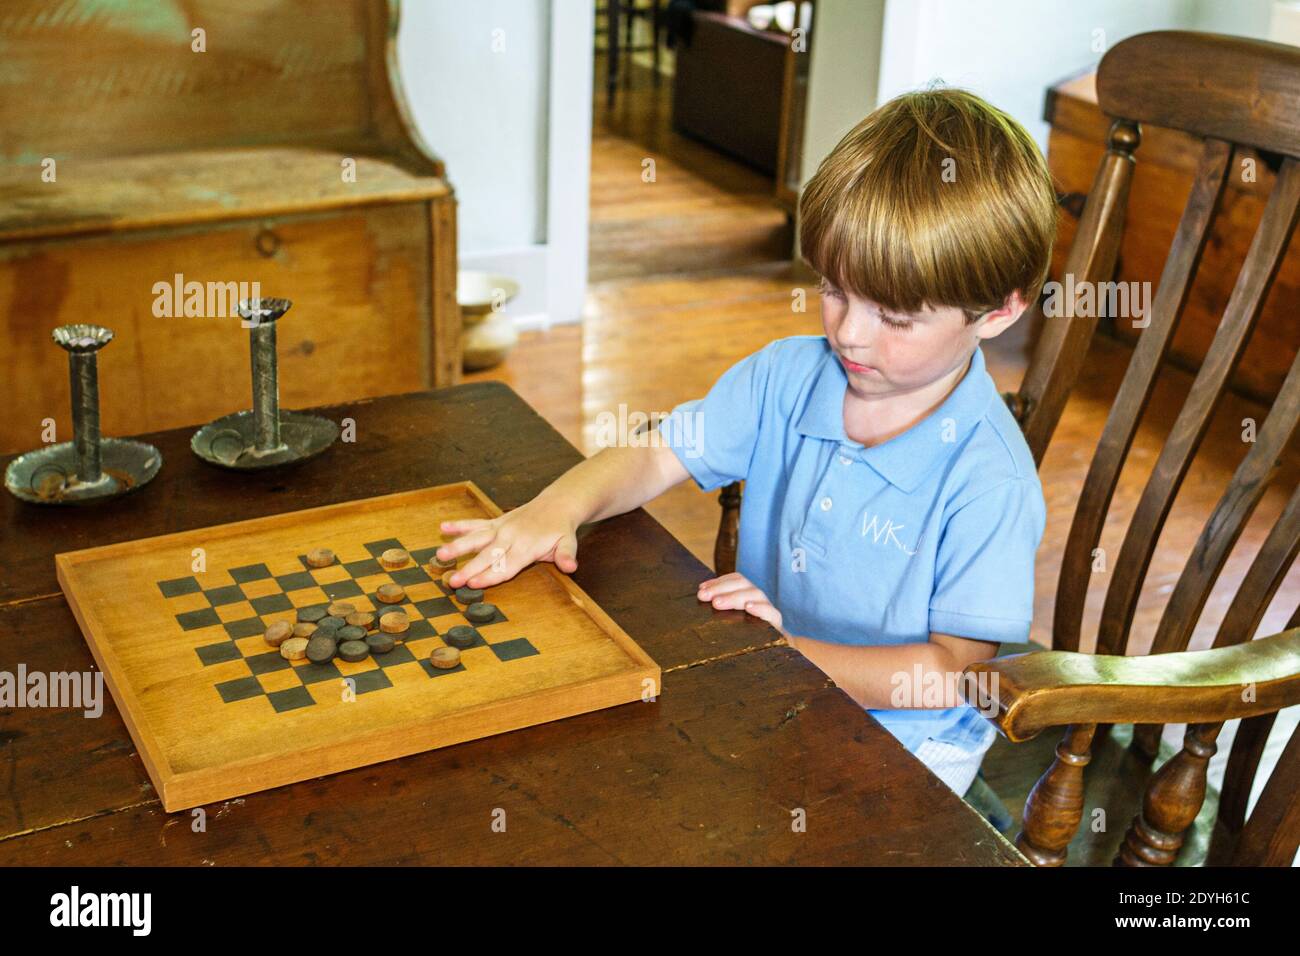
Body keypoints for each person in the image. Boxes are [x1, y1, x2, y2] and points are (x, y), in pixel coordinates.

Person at [436, 87, 1055, 797]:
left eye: (894, 316)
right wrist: (558, 507)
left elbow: (952, 674)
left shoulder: (991, 481)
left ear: (1000, 310)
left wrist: (788, 653)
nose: (849, 332)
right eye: (834, 289)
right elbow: (654, 452)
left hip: (909, 748)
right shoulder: (786, 376)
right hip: (773, 682)